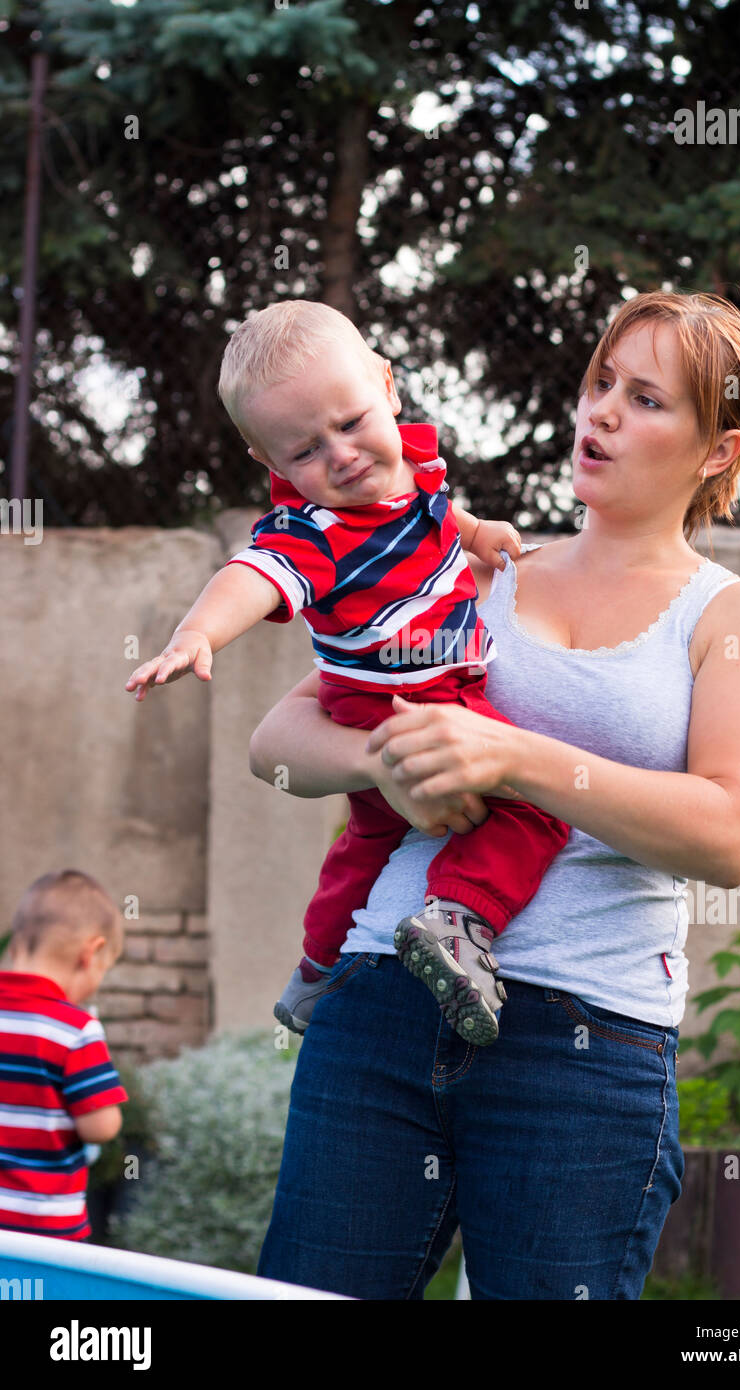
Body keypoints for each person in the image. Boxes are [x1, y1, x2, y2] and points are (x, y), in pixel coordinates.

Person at [250, 291, 740, 1300]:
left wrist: (504, 755)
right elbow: (277, 741)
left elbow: (729, 833)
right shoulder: (475, 567)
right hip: (381, 999)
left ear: (716, 452)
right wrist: (386, 760)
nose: (597, 413)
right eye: (598, 384)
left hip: (586, 1048)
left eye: (643, 399)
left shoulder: (734, 615)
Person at [125, 300, 570, 1046]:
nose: (341, 455)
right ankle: (460, 917)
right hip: (412, 703)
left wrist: (477, 533)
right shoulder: (314, 530)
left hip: (388, 706)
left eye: (352, 422)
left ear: (388, 388)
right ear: (271, 466)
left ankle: (313, 970)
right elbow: (251, 573)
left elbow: (431, 511)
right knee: (537, 798)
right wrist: (198, 632)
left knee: (368, 843)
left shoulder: (411, 464)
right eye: (303, 451)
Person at [0, 870, 128, 1241]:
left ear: (14, 946)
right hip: (43, 1226)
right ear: (90, 955)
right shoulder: (75, 1030)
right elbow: (99, 1126)